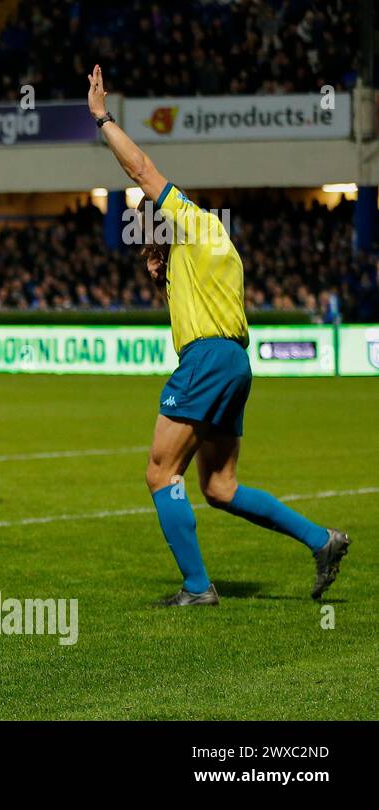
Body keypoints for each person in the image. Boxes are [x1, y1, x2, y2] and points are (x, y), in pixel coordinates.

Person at [86, 64, 350, 605]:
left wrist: (103, 118)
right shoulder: (206, 245)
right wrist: (161, 265)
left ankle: (196, 586)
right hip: (233, 362)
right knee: (219, 487)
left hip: (207, 360)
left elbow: (141, 169)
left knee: (161, 474)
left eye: (147, 215)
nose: (145, 221)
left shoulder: (193, 221)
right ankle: (322, 541)